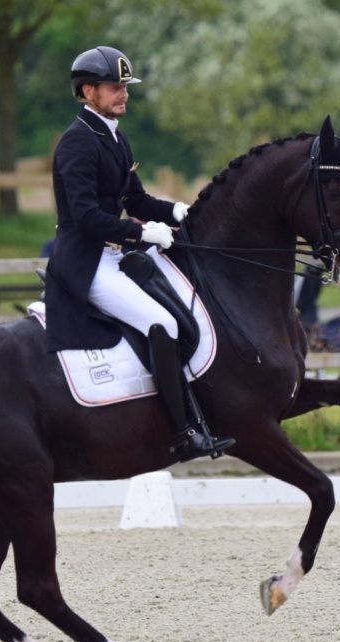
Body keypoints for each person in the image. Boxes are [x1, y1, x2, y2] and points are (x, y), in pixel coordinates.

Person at [44, 46, 233, 462]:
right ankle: (184, 431)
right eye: (114, 87)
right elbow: (88, 217)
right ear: (87, 91)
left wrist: (182, 211)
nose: (123, 94)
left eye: (125, 87)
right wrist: (144, 233)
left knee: (183, 306)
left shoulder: (115, 137)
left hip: (113, 256)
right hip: (86, 262)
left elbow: (138, 199)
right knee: (161, 322)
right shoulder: (77, 143)